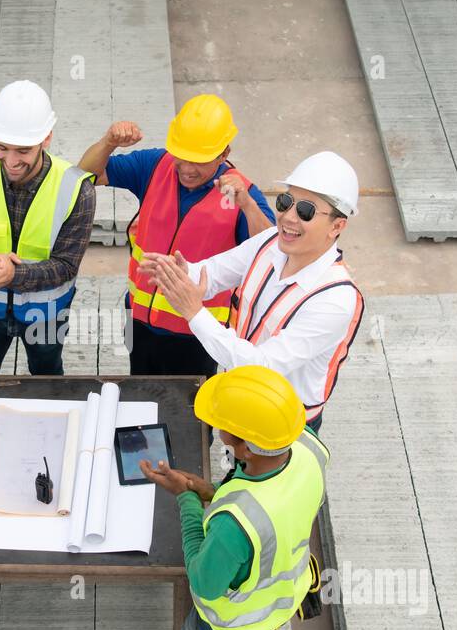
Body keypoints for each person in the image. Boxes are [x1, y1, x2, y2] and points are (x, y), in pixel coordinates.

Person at [98, 366, 328, 630]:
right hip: (282, 596)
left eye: (226, 426)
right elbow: (270, 491)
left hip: (227, 620)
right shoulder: (306, 447)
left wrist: (186, 499)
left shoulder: (235, 524)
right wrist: (205, 489)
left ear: (246, 448)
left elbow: (204, 580)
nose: (218, 427)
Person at [138, 151, 365, 433]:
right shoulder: (270, 243)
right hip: (244, 397)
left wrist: (194, 312)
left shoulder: (334, 300)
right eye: (285, 202)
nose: (288, 218)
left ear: (337, 226)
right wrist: (182, 273)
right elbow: (213, 273)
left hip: (285, 424)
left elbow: (262, 365)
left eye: (306, 211)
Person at [77, 94, 275, 376]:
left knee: (190, 403)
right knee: (141, 393)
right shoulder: (155, 166)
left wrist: (248, 205)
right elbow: (86, 175)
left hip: (196, 335)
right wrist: (108, 143)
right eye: (182, 157)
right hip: (139, 321)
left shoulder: (242, 194)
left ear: (224, 154)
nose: (187, 169)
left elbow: (272, 253)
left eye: (199, 161)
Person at [0, 80, 96, 375]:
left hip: (47, 314)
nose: (11, 161)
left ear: (47, 138)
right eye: (2, 148)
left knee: (47, 382)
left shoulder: (76, 190)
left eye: (23, 151)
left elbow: (66, 266)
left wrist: (15, 275)